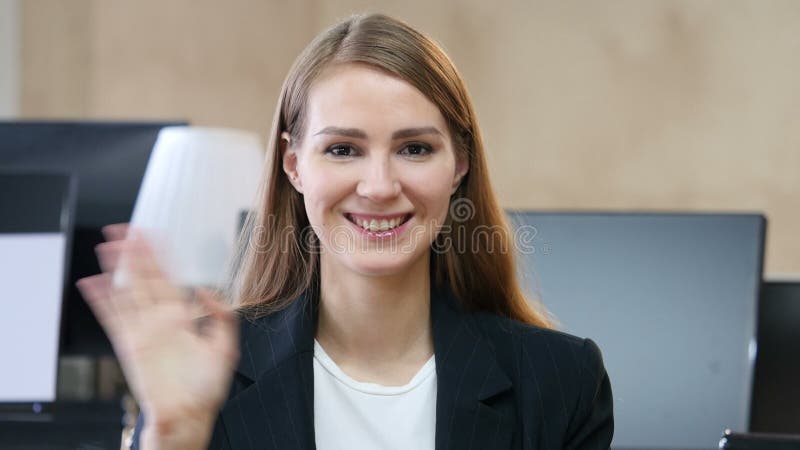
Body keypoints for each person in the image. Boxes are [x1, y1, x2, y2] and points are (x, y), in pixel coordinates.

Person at [77, 12, 613, 450]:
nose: (378, 185)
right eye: (342, 149)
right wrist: (174, 437)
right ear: (293, 164)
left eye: (414, 148)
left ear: (460, 164)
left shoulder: (562, 381)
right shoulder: (207, 375)